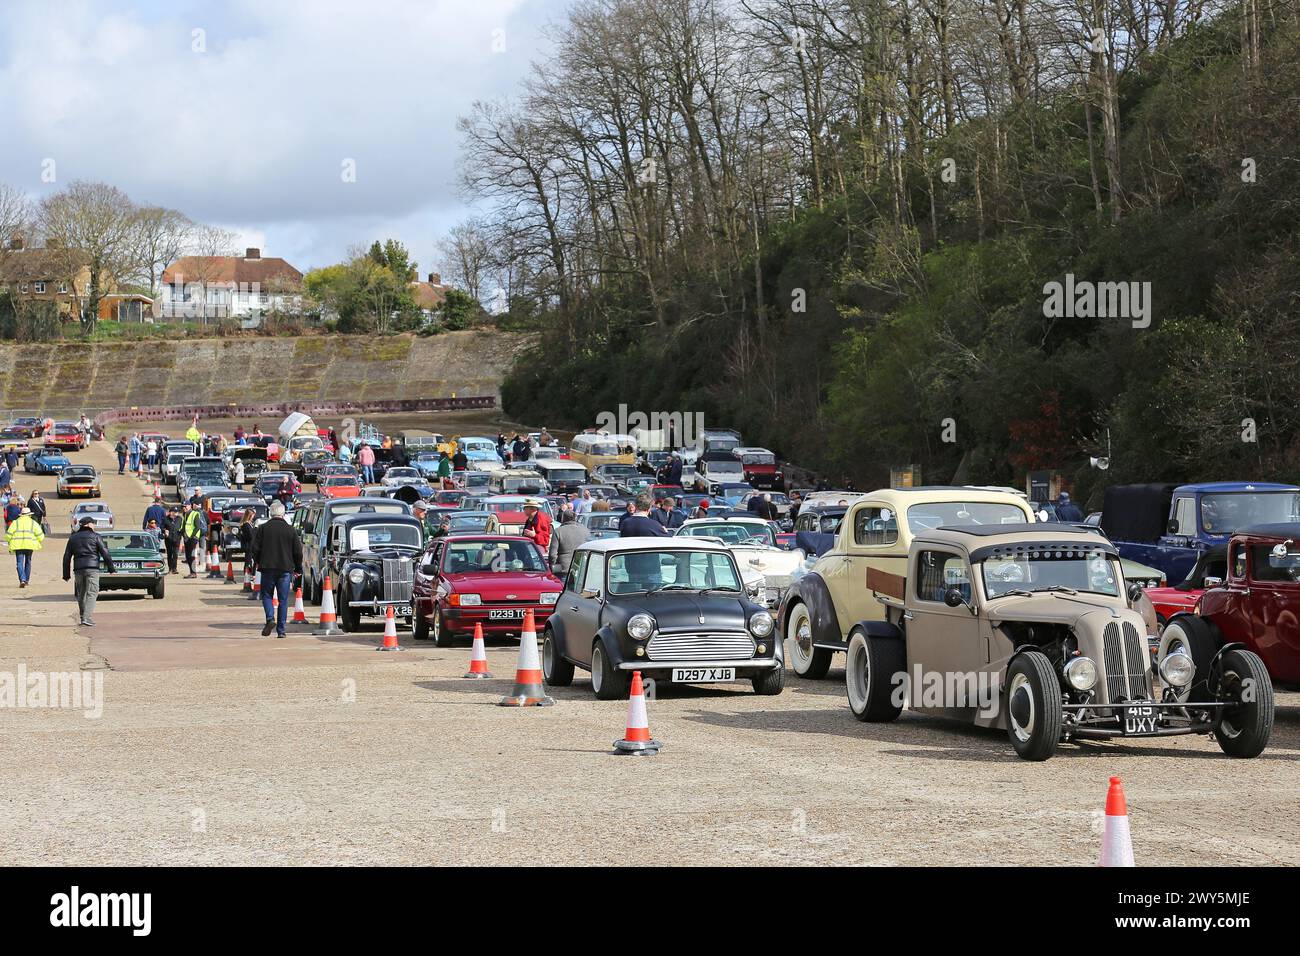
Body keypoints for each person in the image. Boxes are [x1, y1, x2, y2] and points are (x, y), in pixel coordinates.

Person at [250, 501, 302, 639]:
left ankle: (269, 618)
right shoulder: (290, 530)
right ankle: (281, 630)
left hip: (267, 568)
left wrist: (259, 562)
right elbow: (298, 551)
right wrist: (298, 568)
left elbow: (254, 549)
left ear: (270, 513)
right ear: (283, 514)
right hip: (285, 569)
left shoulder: (263, 528)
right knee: (283, 600)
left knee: (266, 595)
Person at [63, 516, 116, 626]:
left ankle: (83, 616)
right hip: (92, 569)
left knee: (81, 593)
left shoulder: (73, 538)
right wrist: (111, 568)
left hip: (78, 569)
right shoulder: (96, 536)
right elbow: (105, 552)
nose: (94, 525)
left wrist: (66, 574)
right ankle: (86, 618)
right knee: (92, 592)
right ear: (88, 524)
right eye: (93, 523)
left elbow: (67, 557)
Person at [5, 506, 44, 587]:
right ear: (29, 515)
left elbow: (8, 535)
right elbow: (41, 536)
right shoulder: (33, 523)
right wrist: (37, 541)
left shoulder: (16, 523)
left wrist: (9, 541)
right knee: (28, 562)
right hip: (30, 545)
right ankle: (26, 580)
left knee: (19, 563)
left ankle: (22, 579)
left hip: (18, 546)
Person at [549, 509, 590, 574]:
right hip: (581, 567)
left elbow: (552, 554)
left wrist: (555, 567)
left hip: (564, 568)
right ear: (575, 518)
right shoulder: (585, 530)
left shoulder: (558, 531)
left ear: (563, 518)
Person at [181, 502, 207, 578]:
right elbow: (184, 526)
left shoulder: (195, 514)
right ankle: (191, 572)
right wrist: (181, 533)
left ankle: (193, 573)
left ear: (190, 506)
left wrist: (191, 536)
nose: (184, 508)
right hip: (187, 538)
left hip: (192, 538)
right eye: (183, 506)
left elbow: (197, 527)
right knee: (188, 556)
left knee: (191, 556)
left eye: (185, 506)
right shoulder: (185, 514)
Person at [162, 506, 182, 574]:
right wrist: (164, 531)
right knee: (170, 554)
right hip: (168, 539)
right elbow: (162, 527)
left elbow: (182, 527)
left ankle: (175, 568)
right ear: (170, 512)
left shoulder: (179, 519)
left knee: (175, 554)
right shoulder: (165, 519)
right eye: (174, 512)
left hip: (177, 539)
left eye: (176, 512)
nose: (176, 513)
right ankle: (170, 568)